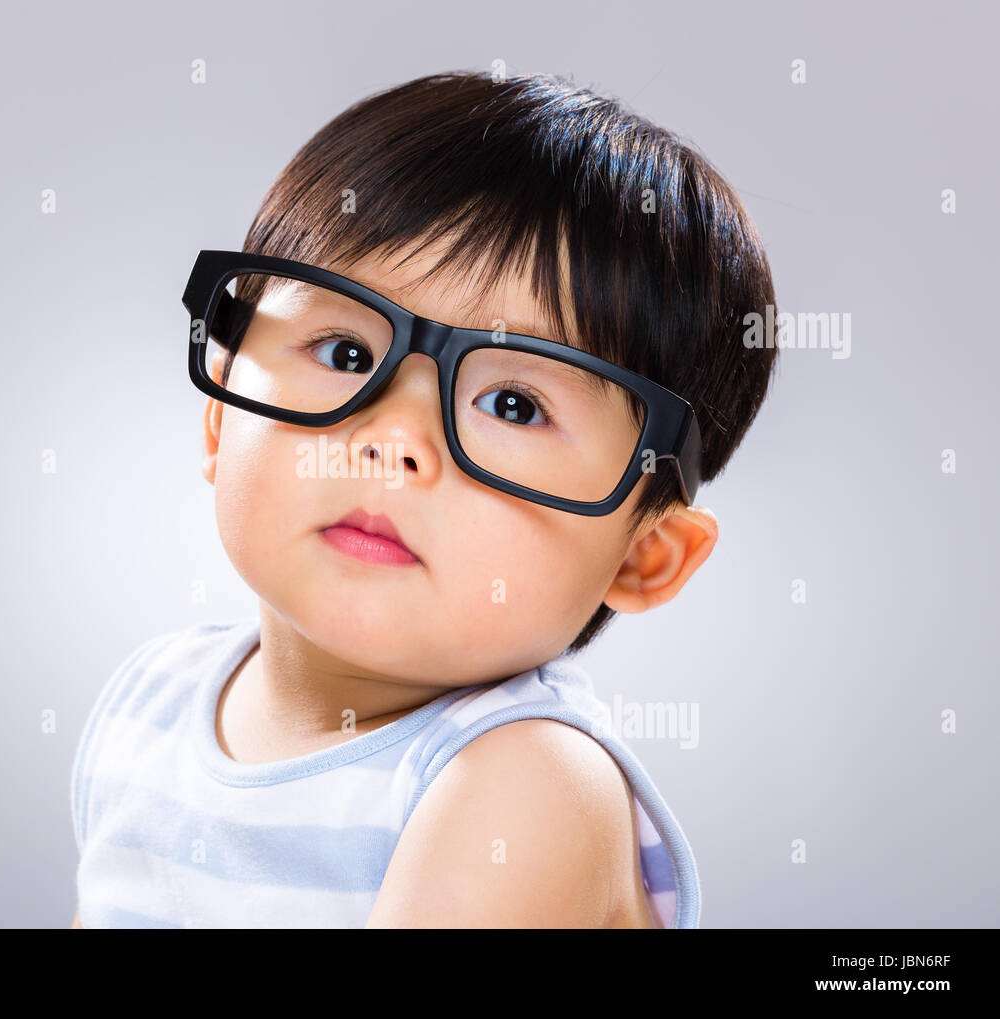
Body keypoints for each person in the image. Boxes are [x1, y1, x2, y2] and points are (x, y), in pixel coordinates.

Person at [70, 68, 778, 928]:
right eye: (343, 351)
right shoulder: (153, 700)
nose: (396, 438)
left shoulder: (523, 782)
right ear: (219, 421)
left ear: (641, 554)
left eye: (514, 404)